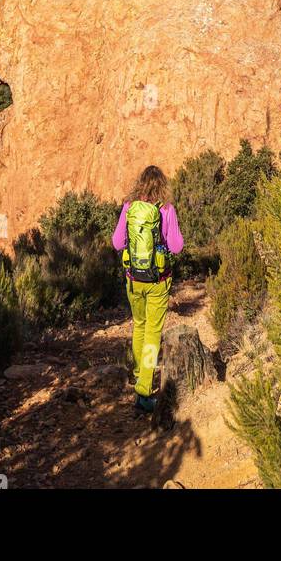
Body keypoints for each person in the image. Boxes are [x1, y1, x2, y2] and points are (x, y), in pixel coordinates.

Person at [111, 164, 183, 413]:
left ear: (140, 183)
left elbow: (117, 242)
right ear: (162, 184)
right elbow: (176, 247)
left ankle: (141, 374)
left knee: (139, 326)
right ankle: (144, 390)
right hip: (158, 281)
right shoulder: (166, 209)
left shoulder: (130, 207)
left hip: (134, 279)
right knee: (153, 331)